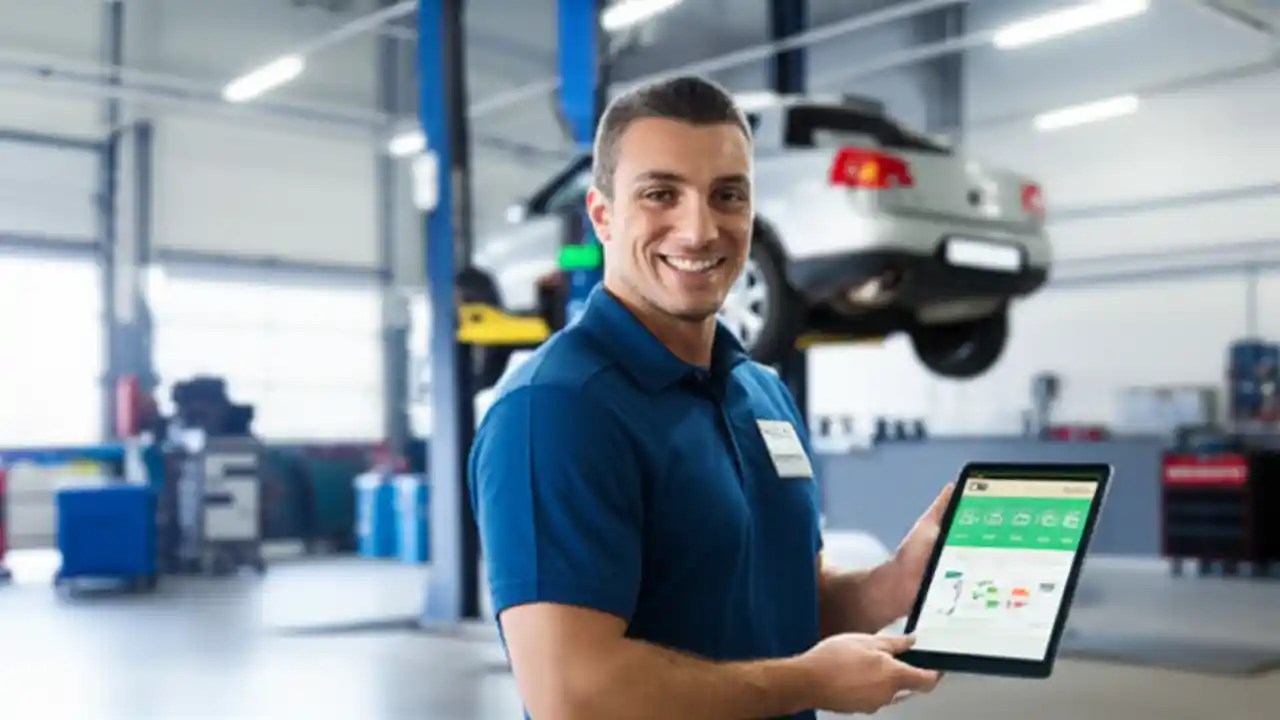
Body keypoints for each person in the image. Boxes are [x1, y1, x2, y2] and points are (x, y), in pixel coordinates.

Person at [468, 75, 951, 719]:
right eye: (660, 194)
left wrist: (892, 585)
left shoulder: (762, 392)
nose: (699, 230)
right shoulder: (554, 411)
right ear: (602, 215)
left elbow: (785, 608)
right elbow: (574, 694)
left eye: (728, 196)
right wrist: (806, 684)